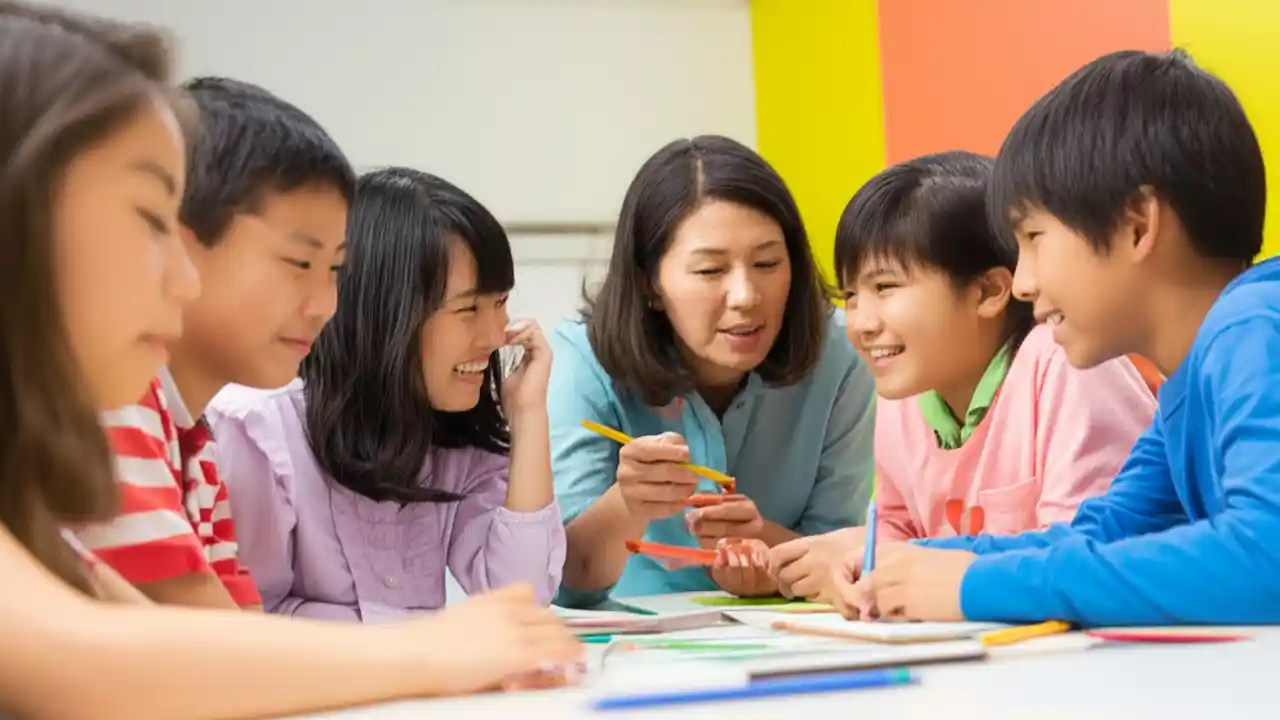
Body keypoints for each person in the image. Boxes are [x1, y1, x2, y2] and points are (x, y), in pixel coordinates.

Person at [0, 4, 577, 717]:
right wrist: (434, 649)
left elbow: (174, 643)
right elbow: (97, 662)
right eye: (150, 222)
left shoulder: (179, 436)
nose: (181, 279)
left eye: (333, 269)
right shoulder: (223, 423)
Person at [835, 49, 1280, 627]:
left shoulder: (1252, 327)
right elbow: (1098, 537)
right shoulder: (1189, 385)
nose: (1021, 282)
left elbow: (1265, 559)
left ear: (1139, 225)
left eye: (1034, 238)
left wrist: (974, 586)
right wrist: (906, 564)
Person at [768, 152, 1154, 601]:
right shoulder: (904, 390)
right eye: (851, 294)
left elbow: (1087, 555)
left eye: (885, 287)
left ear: (988, 291)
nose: (861, 322)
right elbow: (896, 530)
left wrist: (890, 558)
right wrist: (855, 569)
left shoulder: (1065, 364)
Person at [210, 168, 565, 620]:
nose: (497, 335)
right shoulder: (258, 428)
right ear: (385, 314)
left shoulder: (456, 430)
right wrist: (418, 645)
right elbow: (247, 621)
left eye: (501, 303)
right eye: (468, 309)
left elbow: (523, 598)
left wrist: (530, 416)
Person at [550, 135, 877, 605]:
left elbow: (843, 556)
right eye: (709, 271)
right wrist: (629, 503)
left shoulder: (841, 352)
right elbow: (567, 584)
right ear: (650, 283)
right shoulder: (582, 358)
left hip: (791, 636)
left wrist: (762, 546)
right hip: (631, 647)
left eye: (767, 263)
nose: (745, 295)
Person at [73, 74, 356, 609]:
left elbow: (236, 624)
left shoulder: (194, 438)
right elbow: (198, 621)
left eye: (336, 269)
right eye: (300, 262)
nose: (325, 304)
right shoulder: (114, 399)